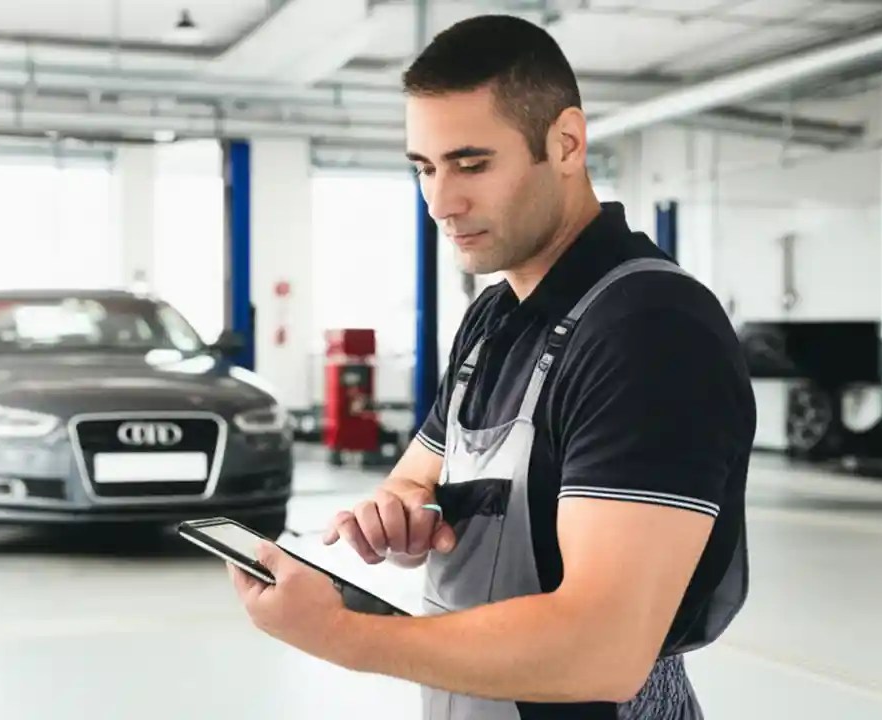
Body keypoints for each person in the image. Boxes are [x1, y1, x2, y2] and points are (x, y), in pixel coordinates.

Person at [227, 14, 755, 720]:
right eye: (425, 168)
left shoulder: (649, 331)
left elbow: (603, 650)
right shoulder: (496, 314)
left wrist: (342, 633)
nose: (442, 203)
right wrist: (402, 508)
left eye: (472, 164)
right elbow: (422, 466)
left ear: (566, 142)